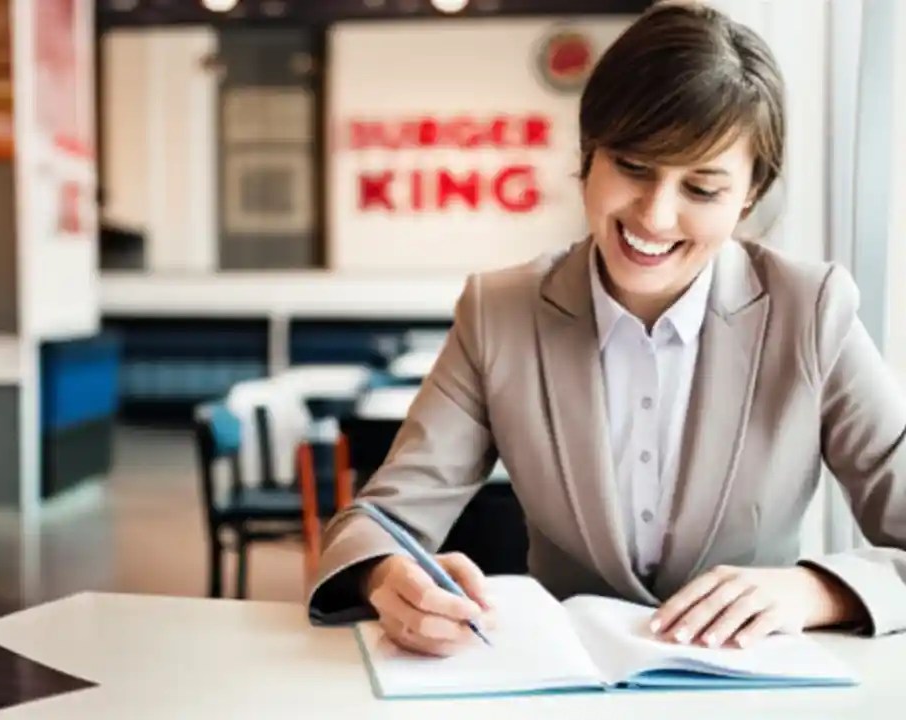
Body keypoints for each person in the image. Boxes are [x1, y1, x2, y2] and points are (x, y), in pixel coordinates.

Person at [308, 2, 906, 657]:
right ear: (590, 155)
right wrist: (391, 578)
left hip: (750, 690)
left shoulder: (811, 311)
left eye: (702, 190)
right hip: (566, 687)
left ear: (751, 195)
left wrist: (815, 592)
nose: (655, 214)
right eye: (634, 167)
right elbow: (378, 520)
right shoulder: (499, 311)